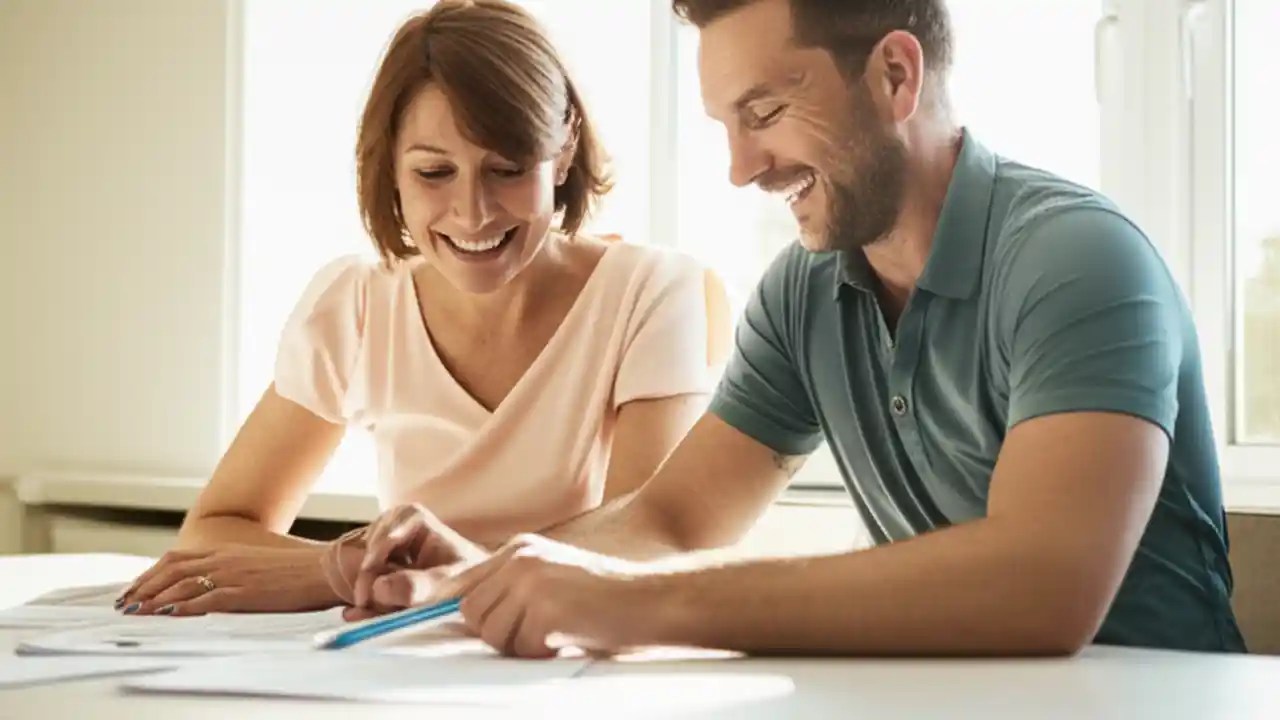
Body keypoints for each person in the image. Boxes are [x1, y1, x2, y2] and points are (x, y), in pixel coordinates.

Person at [343, 0, 1247, 657]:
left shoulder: (1078, 258)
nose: (741, 169)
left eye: (765, 114)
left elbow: (1043, 589)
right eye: (725, 127)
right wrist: (485, 576)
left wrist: (638, 606)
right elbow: (674, 514)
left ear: (896, 74)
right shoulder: (803, 291)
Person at [113, 0, 729, 617]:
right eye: (435, 172)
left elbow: (645, 542)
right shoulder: (358, 304)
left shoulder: (651, 292)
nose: (473, 212)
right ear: (392, 171)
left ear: (564, 149)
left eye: (508, 169)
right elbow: (216, 528)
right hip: (402, 656)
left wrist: (383, 575)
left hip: (556, 652)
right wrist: (343, 565)